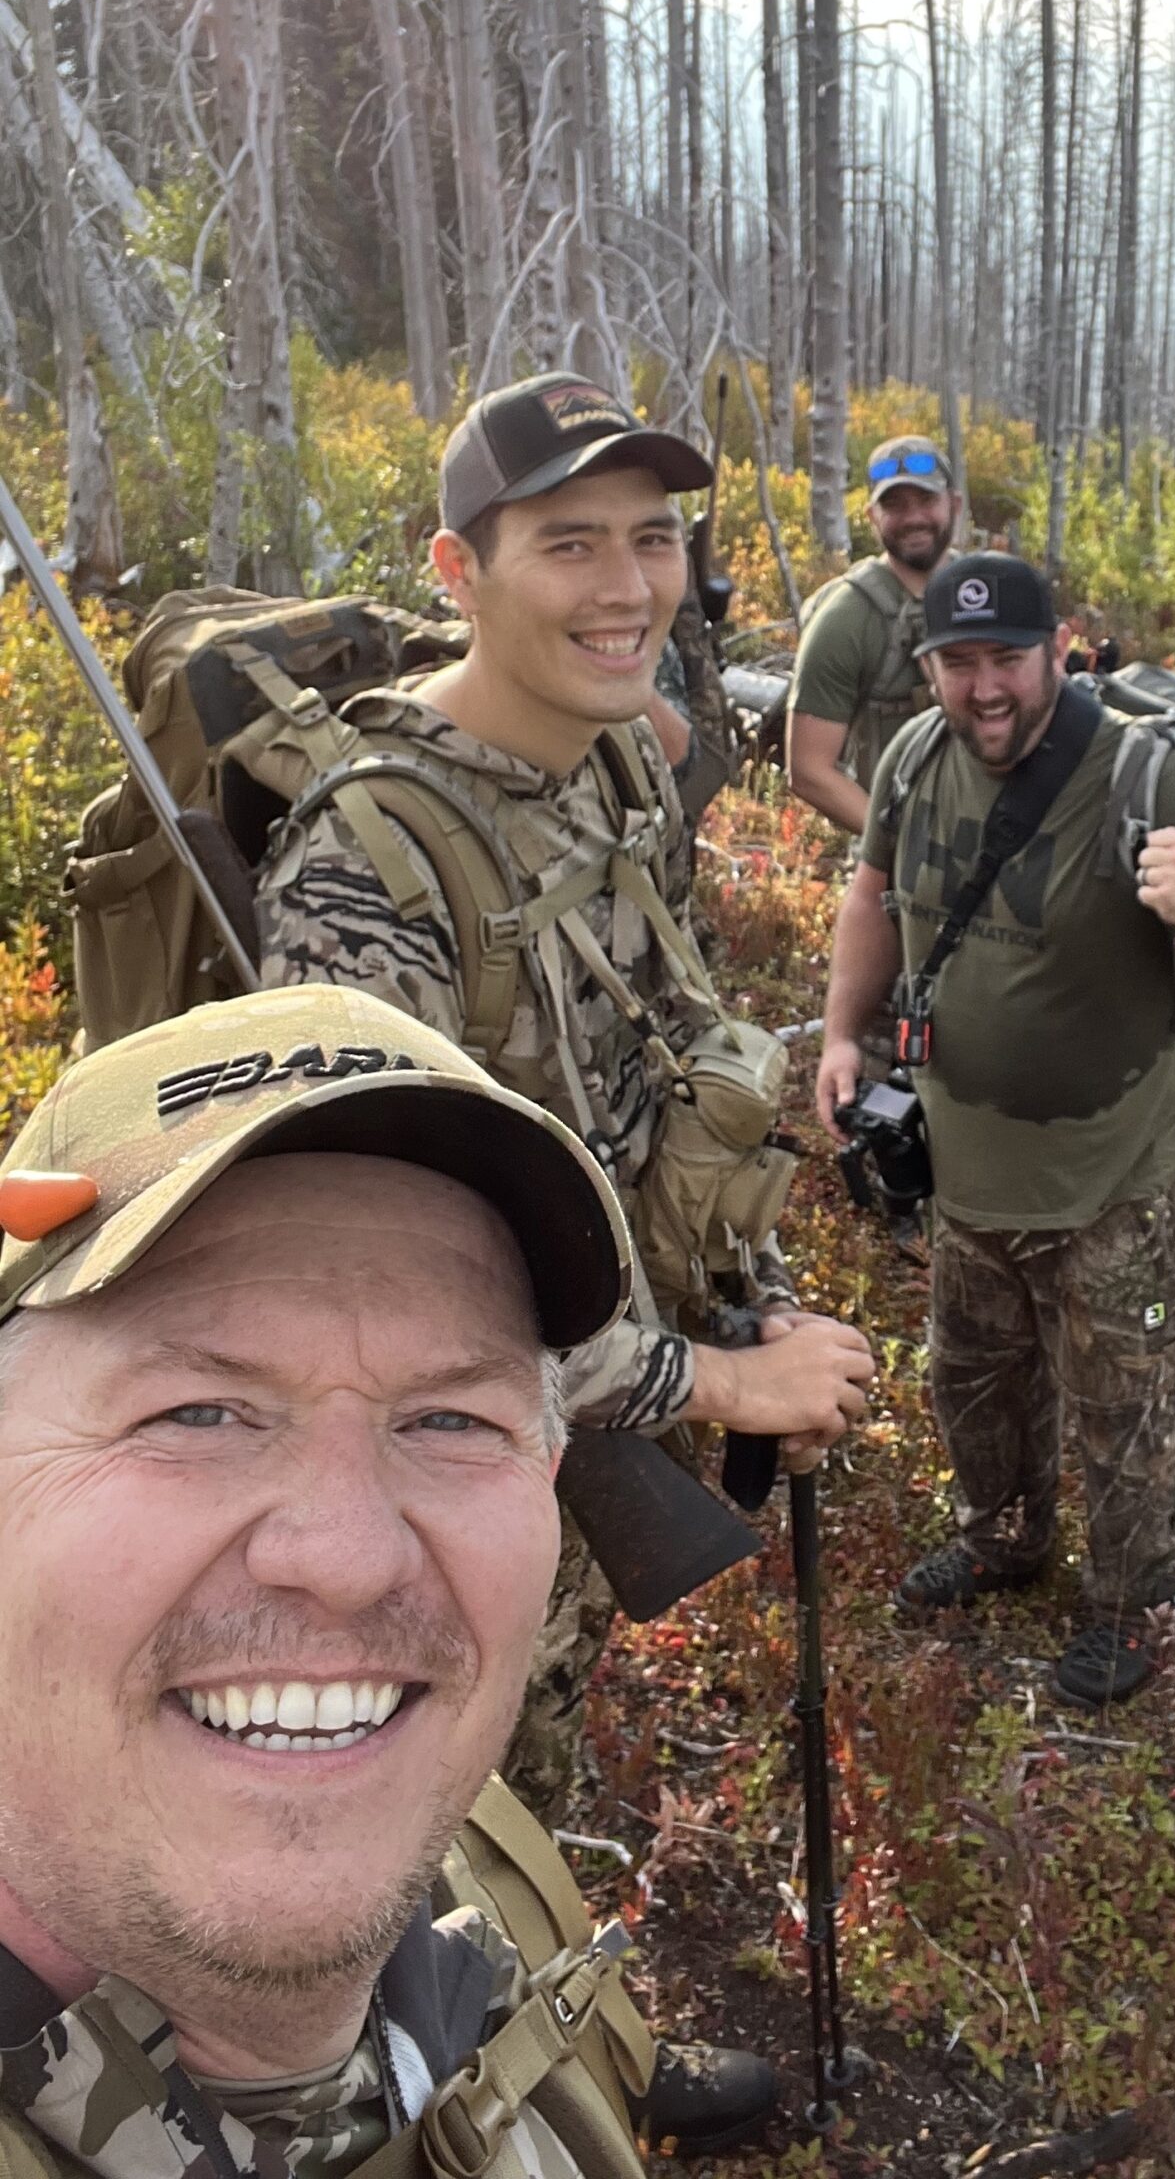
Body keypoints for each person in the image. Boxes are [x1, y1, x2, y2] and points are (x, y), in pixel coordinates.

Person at [0, 983, 777, 2170]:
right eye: (197, 1411)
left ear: (550, 1472)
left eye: (451, 1420)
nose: (350, 1560)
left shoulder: (471, 1845)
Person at [249, 370, 874, 1811]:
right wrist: (722, 1384)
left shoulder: (619, 768)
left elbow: (678, 1043)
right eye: (571, 542)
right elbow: (385, 1298)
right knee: (424, 1814)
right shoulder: (368, 872)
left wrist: (749, 1291)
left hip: (597, 1406)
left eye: (653, 538)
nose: (629, 586)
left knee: (536, 1767)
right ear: (461, 571)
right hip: (428, 1478)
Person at [815, 553, 1175, 1709]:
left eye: (1006, 659)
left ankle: (1131, 1600)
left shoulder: (1148, 783)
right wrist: (839, 1036)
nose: (984, 688)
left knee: (1126, 1408)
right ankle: (1005, 1538)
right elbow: (874, 894)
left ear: (1058, 649)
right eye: (957, 662)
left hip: (1116, 1175)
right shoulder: (919, 758)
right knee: (975, 1383)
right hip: (968, 1167)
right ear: (928, 665)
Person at [784, 437, 961, 833]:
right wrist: (900, 847)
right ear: (872, 517)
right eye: (894, 505)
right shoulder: (845, 618)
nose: (913, 517)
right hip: (898, 855)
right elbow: (809, 770)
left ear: (955, 505)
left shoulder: (984, 592)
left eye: (926, 500)